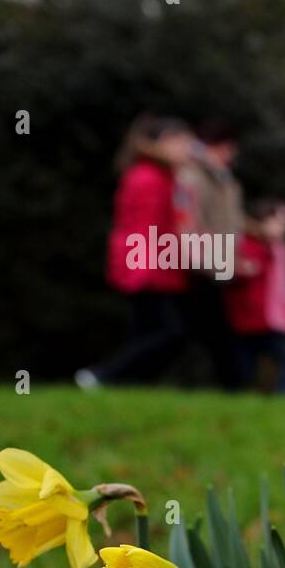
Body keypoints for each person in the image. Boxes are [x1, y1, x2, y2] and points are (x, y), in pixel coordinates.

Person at [76, 116, 196, 388]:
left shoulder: (165, 177)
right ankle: (101, 376)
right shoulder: (148, 178)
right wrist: (144, 269)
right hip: (149, 267)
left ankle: (128, 384)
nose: (188, 150)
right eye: (182, 143)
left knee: (147, 331)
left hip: (156, 266)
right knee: (169, 332)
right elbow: (143, 229)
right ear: (163, 143)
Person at [178, 119, 246, 389]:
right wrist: (207, 258)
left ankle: (228, 385)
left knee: (209, 331)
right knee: (212, 331)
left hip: (216, 263)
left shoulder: (219, 177)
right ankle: (233, 386)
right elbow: (191, 221)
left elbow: (230, 221)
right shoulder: (194, 176)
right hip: (202, 265)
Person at [225, 199, 285, 393]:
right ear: (262, 221)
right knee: (246, 363)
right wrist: (242, 269)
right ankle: (241, 393)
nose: (282, 229)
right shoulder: (248, 245)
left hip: (275, 319)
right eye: (278, 223)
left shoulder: (279, 249)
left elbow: (283, 279)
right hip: (251, 316)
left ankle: (283, 394)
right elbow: (233, 273)